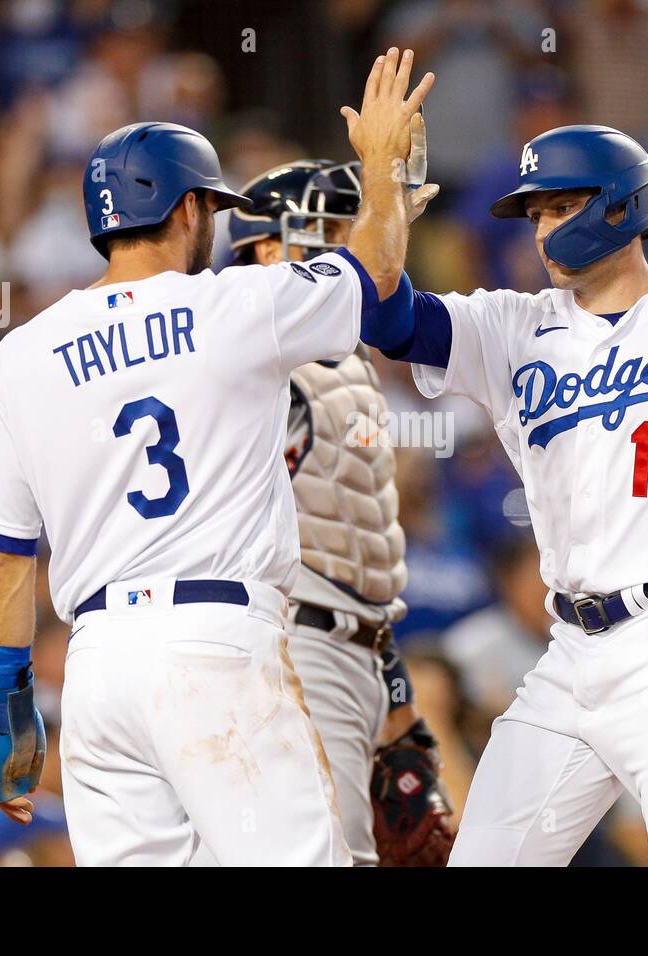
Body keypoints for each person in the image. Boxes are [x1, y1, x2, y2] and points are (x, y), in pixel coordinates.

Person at [0, 48, 434, 866]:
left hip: (96, 669)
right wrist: (381, 166)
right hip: (216, 644)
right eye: (210, 204)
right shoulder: (233, 305)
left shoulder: (21, 356)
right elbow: (378, 272)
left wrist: (10, 712)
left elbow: (0, 552)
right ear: (188, 210)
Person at [359, 124, 648, 866]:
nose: (542, 228)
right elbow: (383, 317)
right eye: (535, 213)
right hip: (570, 651)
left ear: (618, 207)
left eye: (557, 206)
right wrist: (382, 187)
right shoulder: (512, 327)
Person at [194, 155, 453, 866]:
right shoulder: (248, 358)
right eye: (337, 227)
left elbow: (361, 554)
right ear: (272, 249)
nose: (357, 243)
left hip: (358, 647)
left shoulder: (349, 364)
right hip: (292, 643)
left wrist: (395, 694)